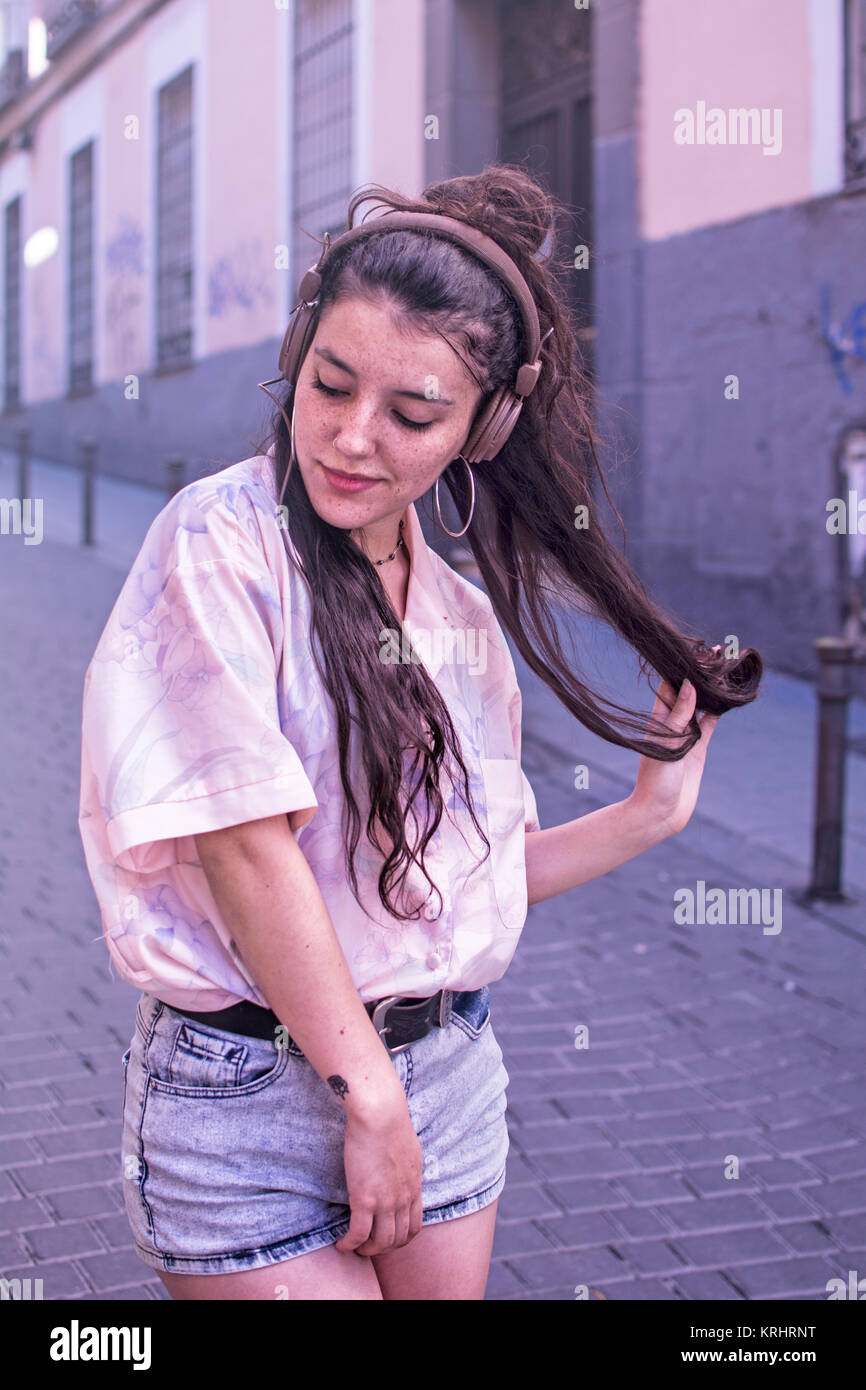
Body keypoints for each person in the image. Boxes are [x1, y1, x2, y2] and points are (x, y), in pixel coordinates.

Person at [78, 164, 762, 1302]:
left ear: (484, 426)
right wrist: (370, 1102)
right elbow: (244, 849)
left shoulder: (458, 618)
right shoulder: (221, 544)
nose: (351, 440)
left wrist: (651, 812)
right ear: (297, 355)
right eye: (330, 386)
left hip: (444, 1077)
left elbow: (455, 890)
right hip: (251, 1092)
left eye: (411, 414)